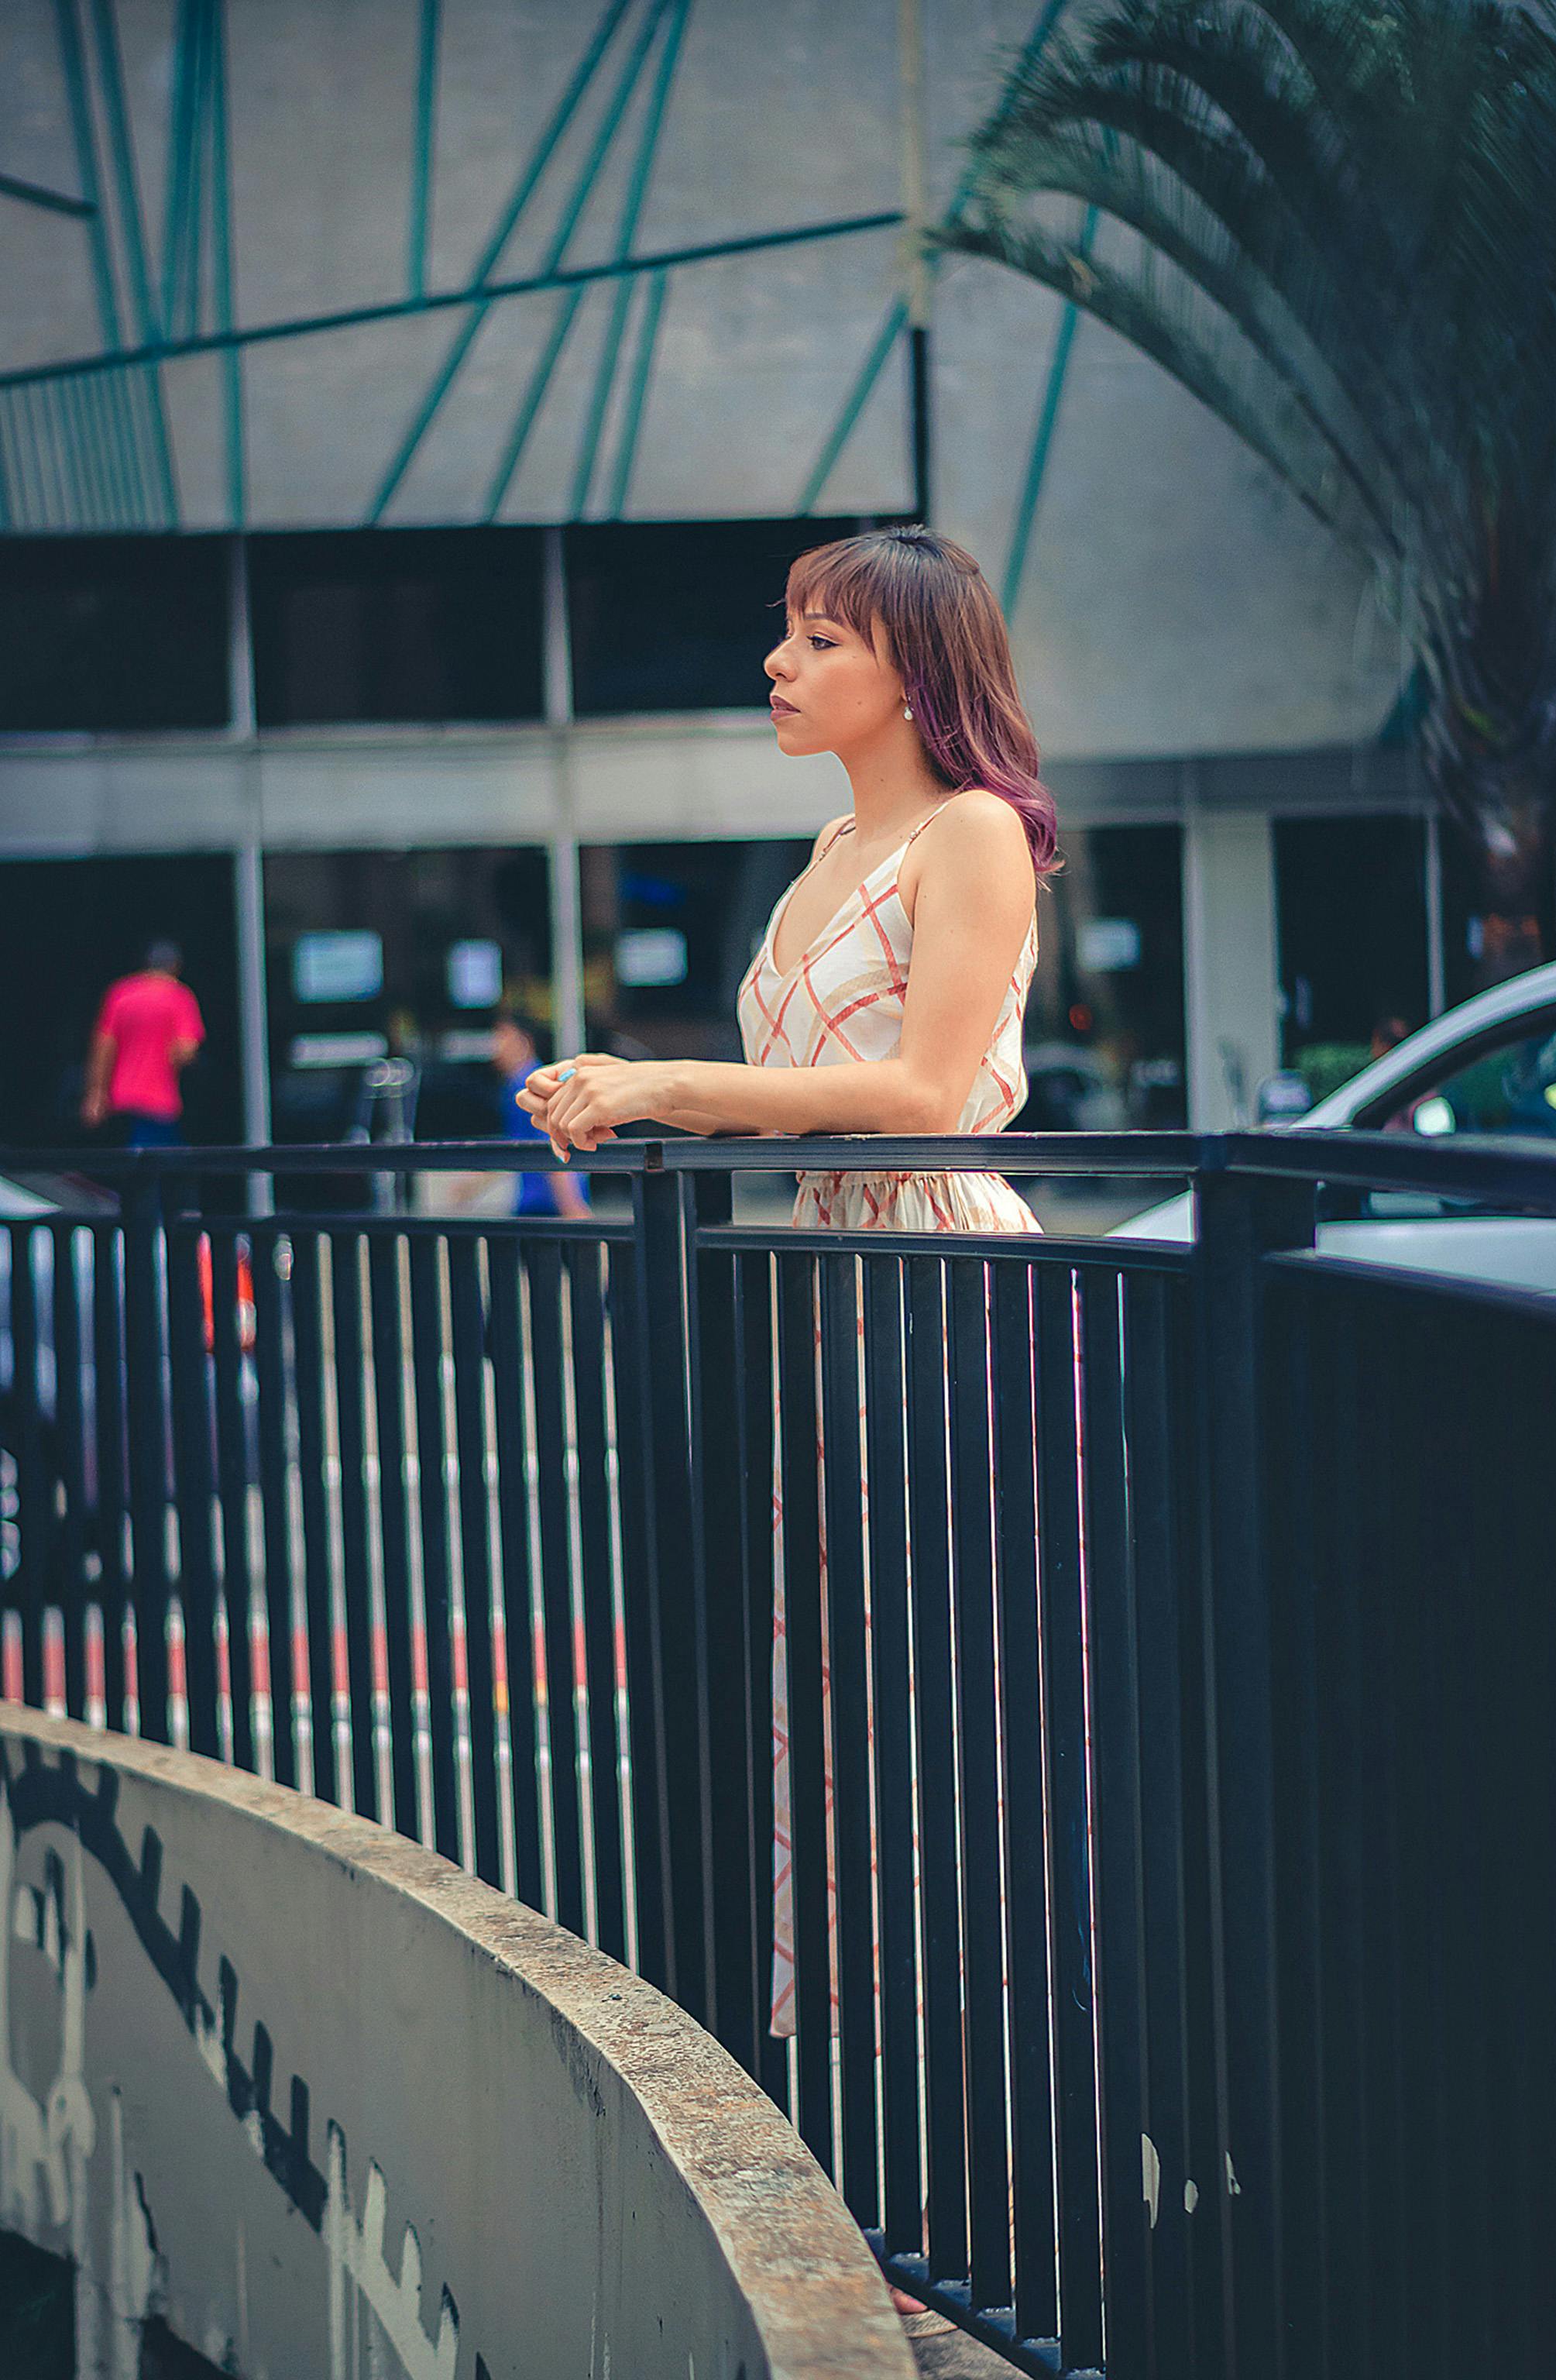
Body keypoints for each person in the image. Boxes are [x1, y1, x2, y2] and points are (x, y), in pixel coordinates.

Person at [517, 524, 1058, 2052]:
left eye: (824, 639)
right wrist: (629, 1093)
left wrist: (664, 1084)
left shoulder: (971, 831)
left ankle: (1008, 2049)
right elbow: (802, 1098)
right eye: (790, 631)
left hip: (940, 1270)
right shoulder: (826, 855)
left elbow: (926, 1095)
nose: (779, 661)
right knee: (837, 1679)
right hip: (831, 1277)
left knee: (962, 1678)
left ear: (915, 671)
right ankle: (863, 2035)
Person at [81, 939, 204, 1147]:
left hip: (120, 1099)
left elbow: (103, 1047)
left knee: (125, 1159)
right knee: (165, 1159)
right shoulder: (179, 996)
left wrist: (95, 1094)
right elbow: (186, 1050)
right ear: (176, 966)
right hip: (159, 1101)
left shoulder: (121, 993)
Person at [477, 1010, 590, 1220]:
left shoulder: (534, 1086)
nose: (496, 1046)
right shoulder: (512, 1087)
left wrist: (572, 1208)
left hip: (548, 1207)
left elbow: (555, 1144)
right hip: (534, 1203)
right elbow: (513, 1145)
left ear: (524, 1042)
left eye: (503, 1037)